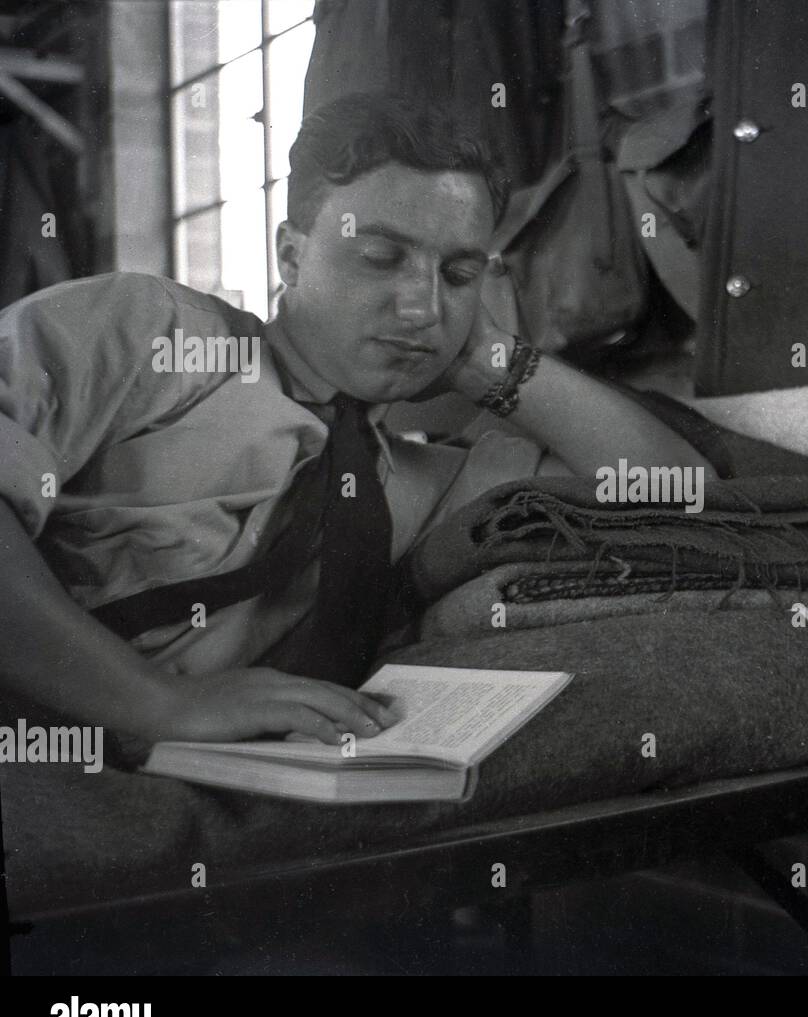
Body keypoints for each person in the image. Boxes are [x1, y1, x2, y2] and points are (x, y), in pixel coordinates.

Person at [0, 93, 714, 748]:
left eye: (458, 275)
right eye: (380, 258)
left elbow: (679, 496)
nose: (421, 308)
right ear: (290, 254)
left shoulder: (405, 483)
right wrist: (155, 703)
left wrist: (490, 360)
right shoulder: (153, 332)